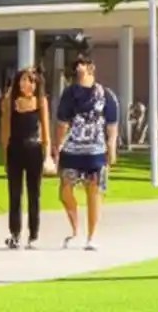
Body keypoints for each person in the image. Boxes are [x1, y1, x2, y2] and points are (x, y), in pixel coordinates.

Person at [56, 56, 119, 251]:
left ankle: (91, 237)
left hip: (96, 150)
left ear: (91, 67)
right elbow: (62, 122)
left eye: (81, 65)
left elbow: (112, 125)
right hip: (72, 149)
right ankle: (76, 230)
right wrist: (56, 147)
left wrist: (112, 148)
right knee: (65, 191)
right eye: (76, 66)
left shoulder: (106, 95)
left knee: (94, 192)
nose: (78, 69)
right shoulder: (69, 94)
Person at [0, 67, 51, 249]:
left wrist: (48, 153)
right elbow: (5, 129)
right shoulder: (10, 101)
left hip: (34, 150)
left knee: (34, 194)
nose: (25, 84)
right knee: (14, 194)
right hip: (15, 149)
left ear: (35, 84)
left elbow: (45, 129)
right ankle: (15, 233)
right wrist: (5, 154)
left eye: (29, 81)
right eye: (22, 80)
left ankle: (34, 234)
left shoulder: (40, 102)